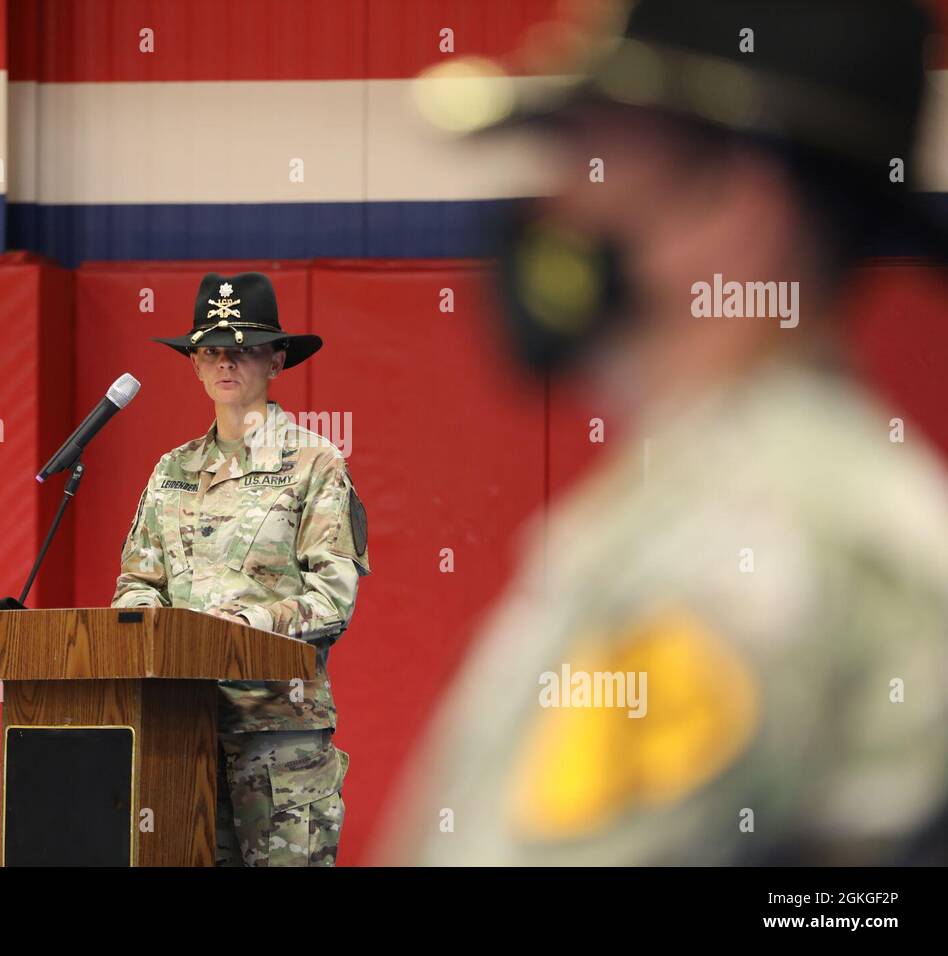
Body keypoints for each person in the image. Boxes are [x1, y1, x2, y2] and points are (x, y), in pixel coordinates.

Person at [378, 0, 948, 865]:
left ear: (734, 204)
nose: (550, 201)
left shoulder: (749, 543)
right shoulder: (755, 499)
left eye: (587, 152)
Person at [112, 271, 371, 866]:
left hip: (279, 735)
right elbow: (138, 583)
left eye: (244, 349)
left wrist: (238, 625)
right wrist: (147, 630)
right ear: (195, 365)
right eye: (211, 351)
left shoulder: (314, 463)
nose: (226, 363)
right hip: (180, 732)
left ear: (277, 359)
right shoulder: (170, 470)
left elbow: (333, 598)